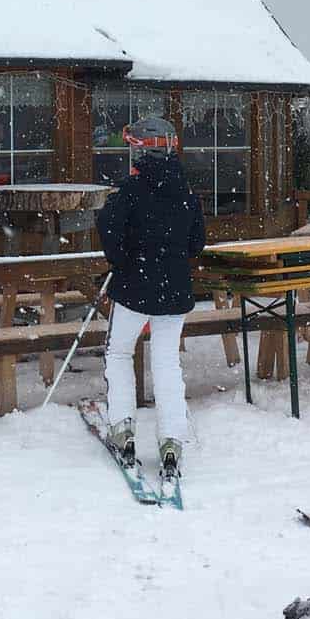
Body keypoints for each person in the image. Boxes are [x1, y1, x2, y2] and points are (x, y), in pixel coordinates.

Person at [95, 116, 205, 480]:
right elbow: (196, 244)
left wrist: (124, 259)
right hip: (174, 291)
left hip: (133, 289)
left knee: (119, 352)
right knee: (166, 363)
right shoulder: (187, 193)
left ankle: (123, 430)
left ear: (141, 152)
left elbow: (108, 230)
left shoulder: (129, 191)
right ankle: (171, 439)